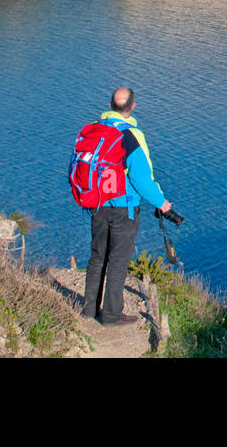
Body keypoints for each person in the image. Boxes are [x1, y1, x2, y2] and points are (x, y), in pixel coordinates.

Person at [82, 87, 172, 325]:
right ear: (133, 106)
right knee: (118, 260)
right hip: (124, 207)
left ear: (110, 104)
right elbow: (142, 179)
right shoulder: (131, 135)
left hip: (97, 203)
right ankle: (111, 316)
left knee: (97, 256)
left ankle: (88, 309)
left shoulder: (94, 128)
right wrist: (162, 204)